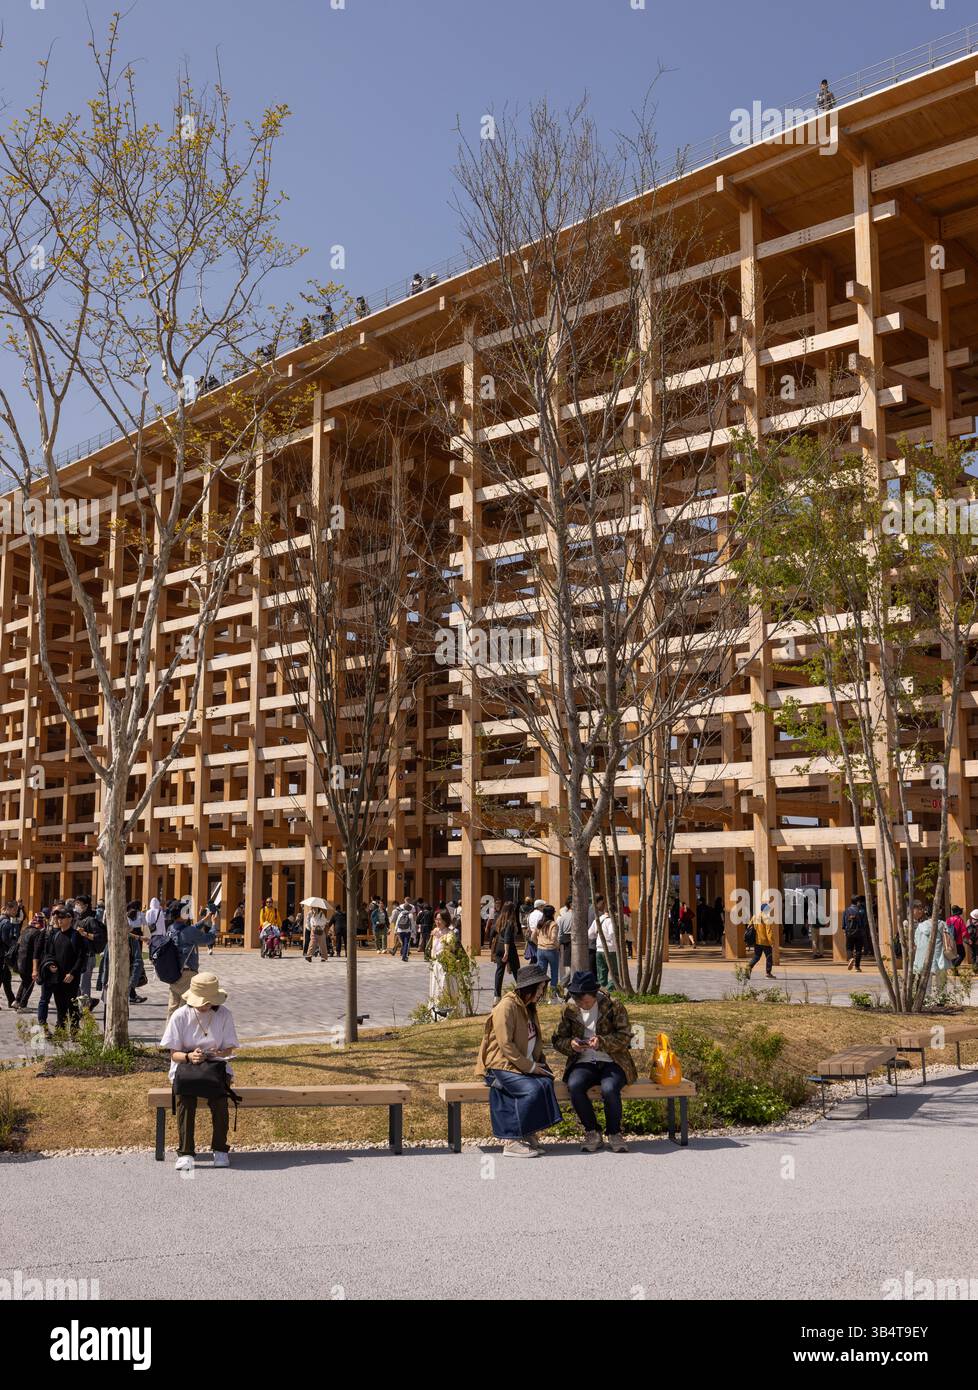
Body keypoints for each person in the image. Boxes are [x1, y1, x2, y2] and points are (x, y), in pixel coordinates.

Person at [475, 964, 561, 1158]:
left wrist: (538, 1063)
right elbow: (506, 1046)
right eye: (540, 989)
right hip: (500, 1065)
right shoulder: (506, 1007)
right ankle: (511, 1141)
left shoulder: (529, 1007)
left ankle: (527, 1131)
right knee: (532, 1089)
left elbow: (533, 1040)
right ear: (529, 987)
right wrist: (530, 1067)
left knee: (546, 1082)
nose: (541, 993)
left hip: (521, 1063)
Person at [159, 972, 239, 1172]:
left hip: (215, 1068)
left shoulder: (223, 1014)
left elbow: (229, 1048)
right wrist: (189, 1056)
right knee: (186, 1099)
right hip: (186, 1068)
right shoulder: (180, 1015)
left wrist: (217, 1053)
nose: (205, 1006)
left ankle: (220, 1149)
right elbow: (173, 1054)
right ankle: (186, 1152)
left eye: (209, 1002)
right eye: (203, 1002)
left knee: (220, 1099)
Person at [552, 969, 635, 1153]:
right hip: (583, 1060)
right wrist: (571, 1045)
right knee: (575, 1085)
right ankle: (592, 1131)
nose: (583, 1005)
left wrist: (602, 1042)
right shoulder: (570, 1009)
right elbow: (557, 1039)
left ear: (595, 995)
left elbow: (625, 1036)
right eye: (579, 1001)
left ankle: (614, 1132)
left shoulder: (614, 1005)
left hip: (613, 1060)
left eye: (587, 1001)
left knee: (610, 1088)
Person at [35, 906, 84, 1034]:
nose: (59, 920)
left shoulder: (75, 936)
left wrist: (73, 973)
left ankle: (74, 1030)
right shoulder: (55, 935)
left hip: (71, 977)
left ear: (70, 918)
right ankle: (60, 1028)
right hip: (58, 976)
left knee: (72, 1004)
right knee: (60, 1004)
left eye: (62, 917)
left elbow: (81, 957)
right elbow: (49, 953)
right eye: (58, 917)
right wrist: (50, 965)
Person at [165, 905, 218, 1018]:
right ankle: (181, 1033)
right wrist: (213, 924)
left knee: (173, 1006)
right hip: (187, 972)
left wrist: (204, 919)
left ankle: (169, 1033)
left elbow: (191, 929)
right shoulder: (188, 931)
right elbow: (210, 938)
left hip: (173, 970)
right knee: (185, 1008)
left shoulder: (171, 928)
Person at [912, 901, 949, 1000]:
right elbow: (949, 939)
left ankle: (925, 999)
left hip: (924, 957)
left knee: (925, 980)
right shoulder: (942, 924)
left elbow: (916, 942)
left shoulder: (920, 926)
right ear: (938, 911)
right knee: (941, 979)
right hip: (939, 956)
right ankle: (942, 998)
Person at [428, 909, 458, 1016]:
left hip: (446, 965)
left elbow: (451, 945)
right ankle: (435, 1008)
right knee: (435, 986)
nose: (437, 922)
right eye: (436, 919)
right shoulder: (435, 931)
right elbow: (433, 949)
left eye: (440, 919)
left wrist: (439, 936)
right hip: (436, 964)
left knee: (445, 985)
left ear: (446, 920)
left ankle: (446, 1009)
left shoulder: (450, 933)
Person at [489, 900, 520, 1005]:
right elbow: (507, 936)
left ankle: (496, 996)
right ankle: (522, 991)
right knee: (516, 970)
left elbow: (492, 933)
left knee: (499, 971)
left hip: (498, 947)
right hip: (509, 948)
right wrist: (506, 952)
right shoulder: (510, 921)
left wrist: (491, 944)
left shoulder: (498, 919)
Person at [13, 912, 43, 1011]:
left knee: (24, 982)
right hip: (29, 962)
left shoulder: (26, 930)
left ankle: (17, 1001)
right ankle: (23, 1004)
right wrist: (36, 967)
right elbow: (36, 950)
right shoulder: (37, 933)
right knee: (29, 983)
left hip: (20, 960)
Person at [532, 903, 562, 1002]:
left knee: (541, 973)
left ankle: (540, 995)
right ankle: (552, 997)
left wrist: (539, 943)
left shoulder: (540, 924)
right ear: (552, 914)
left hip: (540, 950)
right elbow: (553, 938)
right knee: (554, 973)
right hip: (551, 950)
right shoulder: (553, 924)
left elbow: (532, 937)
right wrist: (558, 945)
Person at [745, 898, 776, 979]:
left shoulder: (755, 916)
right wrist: (772, 942)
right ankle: (768, 973)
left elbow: (749, 926)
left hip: (757, 941)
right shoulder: (767, 918)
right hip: (765, 941)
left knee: (756, 956)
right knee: (769, 957)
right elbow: (768, 931)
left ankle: (749, 966)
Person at [591, 902, 620, 989]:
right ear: (614, 912)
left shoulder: (598, 919)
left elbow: (590, 934)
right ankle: (610, 989)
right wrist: (615, 944)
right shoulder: (611, 921)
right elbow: (612, 934)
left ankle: (602, 990)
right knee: (614, 972)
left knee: (601, 972)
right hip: (610, 950)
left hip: (599, 950)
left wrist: (598, 937)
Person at [843, 894, 867, 972]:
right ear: (858, 902)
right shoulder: (861, 911)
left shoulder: (846, 910)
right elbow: (864, 922)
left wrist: (844, 930)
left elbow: (843, 922)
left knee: (849, 947)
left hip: (849, 932)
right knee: (858, 949)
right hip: (859, 932)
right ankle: (857, 966)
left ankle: (850, 958)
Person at [0, 902, 18, 1008]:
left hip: (2, 954)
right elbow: (6, 940)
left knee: (6, 978)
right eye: (14, 910)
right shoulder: (6, 922)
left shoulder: (1, 919)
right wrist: (14, 944)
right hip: (2, 955)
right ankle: (12, 1001)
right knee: (4, 977)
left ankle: (12, 1000)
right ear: (8, 909)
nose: (16, 912)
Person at [393, 896, 416, 961]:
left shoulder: (400, 914)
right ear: (409, 909)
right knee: (406, 943)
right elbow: (412, 924)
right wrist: (414, 932)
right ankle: (404, 956)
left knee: (403, 943)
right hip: (407, 931)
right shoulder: (410, 915)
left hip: (400, 931)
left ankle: (402, 953)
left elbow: (397, 922)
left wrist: (395, 930)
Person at [557, 896, 573, 983]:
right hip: (572, 941)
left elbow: (560, 933)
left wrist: (558, 945)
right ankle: (562, 985)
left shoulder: (562, 917)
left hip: (565, 942)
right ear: (571, 904)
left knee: (568, 967)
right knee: (570, 969)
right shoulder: (578, 916)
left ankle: (563, 984)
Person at [947, 904, 967, 969]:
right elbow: (964, 931)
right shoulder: (959, 920)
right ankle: (954, 966)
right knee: (962, 954)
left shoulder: (948, 920)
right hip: (958, 941)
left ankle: (954, 969)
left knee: (953, 955)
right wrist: (966, 938)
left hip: (950, 941)